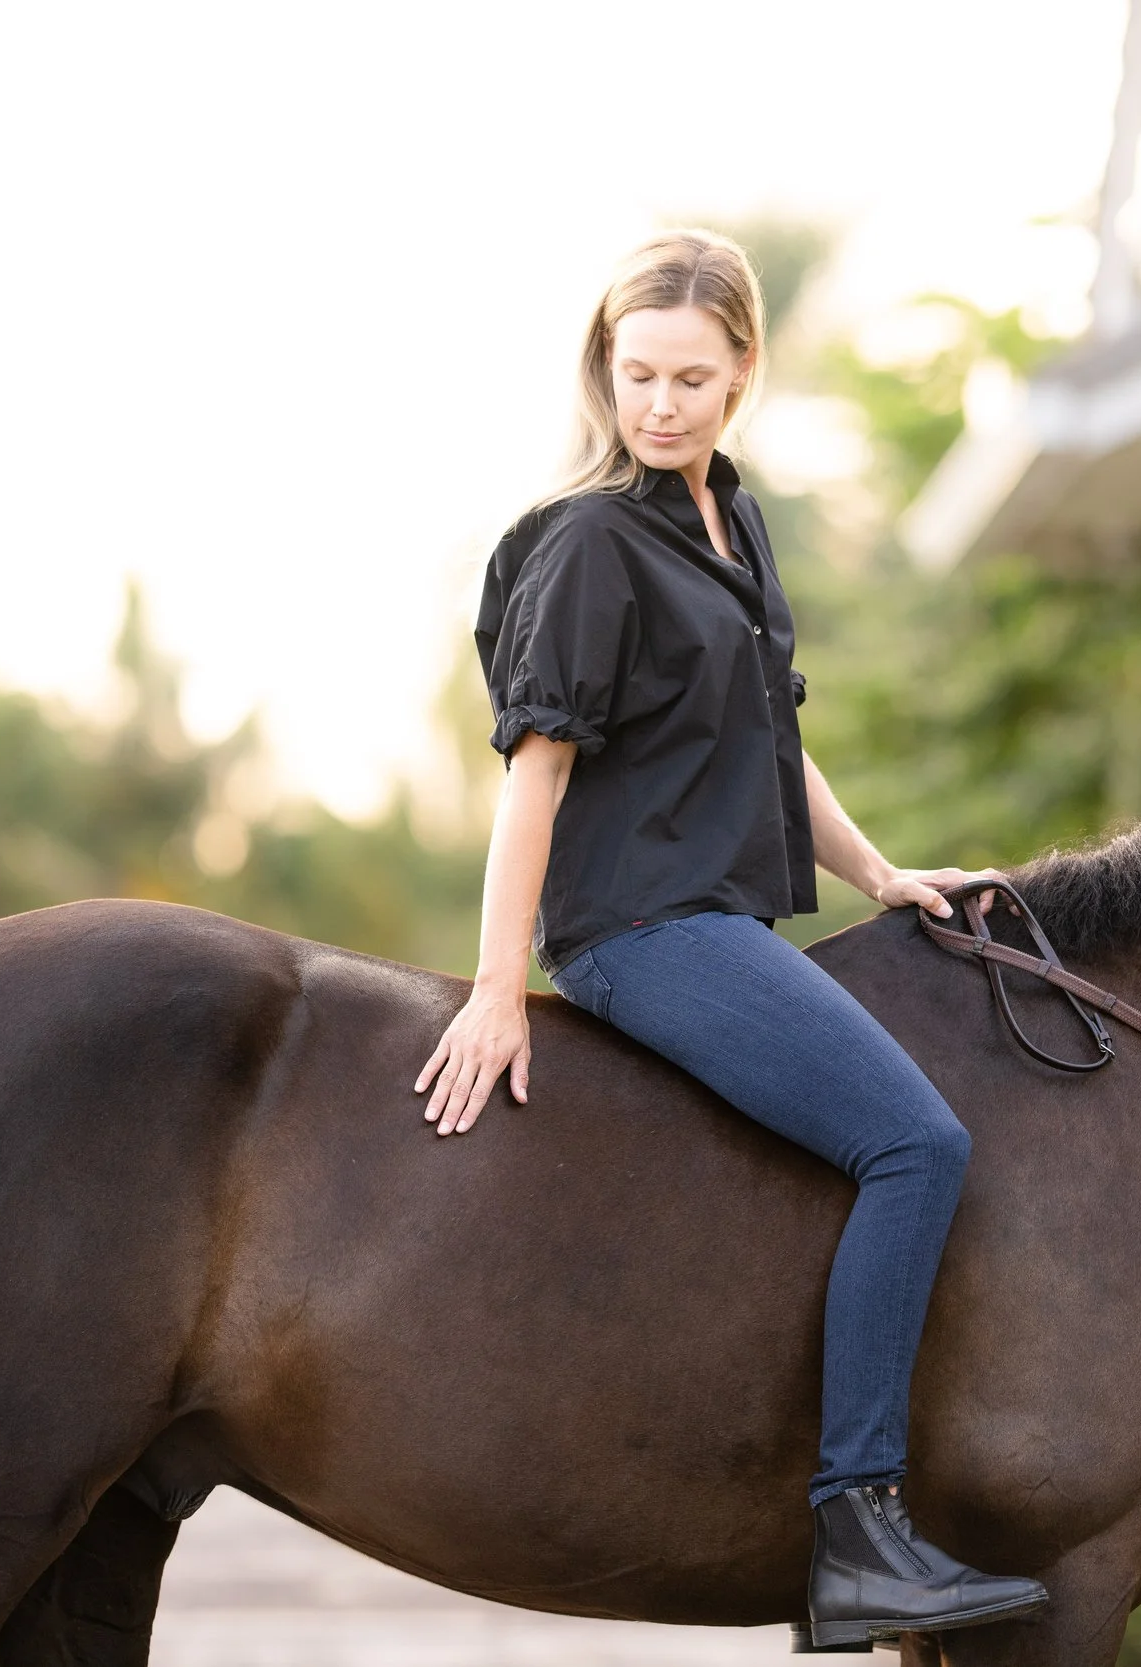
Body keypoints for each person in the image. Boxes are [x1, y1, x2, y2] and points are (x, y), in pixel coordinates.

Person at [413, 230, 1048, 1649]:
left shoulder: (735, 522)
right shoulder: (585, 538)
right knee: (919, 1143)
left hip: (723, 910)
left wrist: (879, 869)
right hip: (640, 928)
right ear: (607, 371)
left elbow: (774, 737)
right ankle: (859, 1522)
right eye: (636, 375)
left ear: (744, 369)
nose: (659, 405)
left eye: (690, 378)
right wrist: (498, 985)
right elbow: (537, 774)